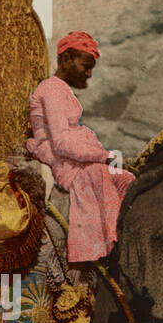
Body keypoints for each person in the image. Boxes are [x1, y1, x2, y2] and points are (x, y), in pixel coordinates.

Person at [26, 32, 135, 263]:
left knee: (126, 177)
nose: (89, 73)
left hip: (81, 153)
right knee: (102, 173)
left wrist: (115, 159)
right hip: (64, 159)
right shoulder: (50, 90)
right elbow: (62, 143)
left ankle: (124, 235)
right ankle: (105, 248)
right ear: (66, 59)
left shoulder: (63, 90)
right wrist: (106, 156)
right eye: (86, 66)